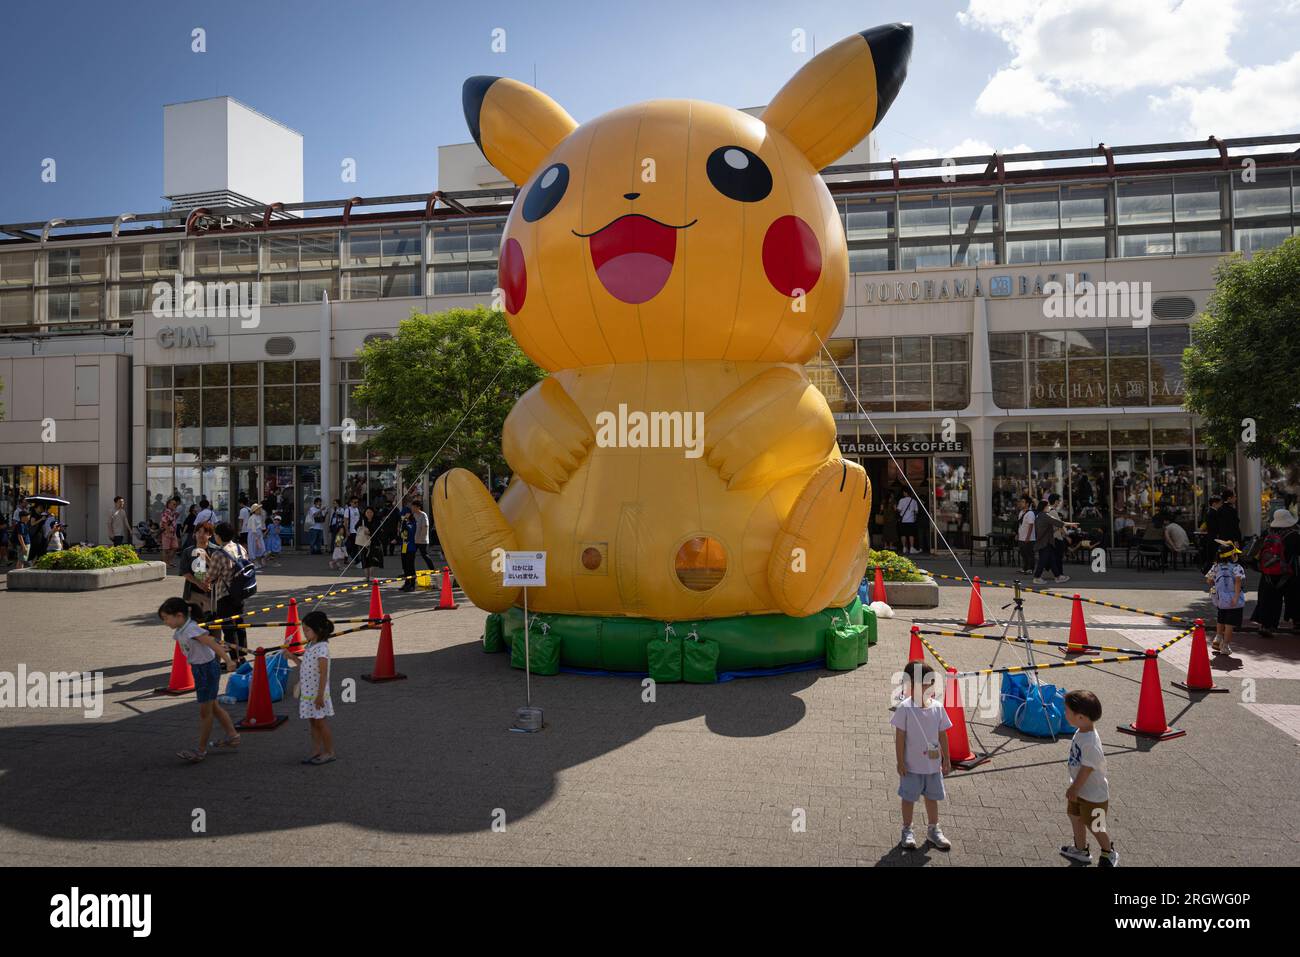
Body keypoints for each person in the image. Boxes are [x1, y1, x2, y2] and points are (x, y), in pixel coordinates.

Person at [158, 596, 239, 764]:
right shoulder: (183, 629)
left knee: (206, 712)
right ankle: (233, 735)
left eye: (166, 618)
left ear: (179, 615)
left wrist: (228, 660)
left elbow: (211, 643)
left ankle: (201, 750)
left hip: (206, 670)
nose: (165, 622)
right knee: (213, 706)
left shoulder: (191, 630)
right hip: (201, 668)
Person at [890, 662, 952, 851]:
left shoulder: (938, 707)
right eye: (922, 683)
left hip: (932, 766)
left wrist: (947, 758)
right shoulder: (905, 708)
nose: (927, 687)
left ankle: (933, 830)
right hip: (911, 766)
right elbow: (899, 738)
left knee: (932, 798)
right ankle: (907, 830)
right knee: (908, 799)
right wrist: (900, 762)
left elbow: (943, 734)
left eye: (930, 682)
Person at [1059, 690, 1117, 867]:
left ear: (1081, 717)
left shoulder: (1091, 742)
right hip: (1079, 789)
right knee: (1074, 816)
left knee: (1096, 825)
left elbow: (1087, 768)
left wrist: (1074, 788)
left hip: (1094, 795)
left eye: (1068, 711)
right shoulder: (1082, 731)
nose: (1065, 713)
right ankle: (1081, 849)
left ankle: (1109, 853)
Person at [285, 609, 336, 765]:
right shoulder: (311, 645)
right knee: (313, 722)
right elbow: (305, 666)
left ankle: (329, 752)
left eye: (307, 630)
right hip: (309, 692)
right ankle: (316, 751)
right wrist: (292, 657)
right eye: (304, 629)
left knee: (320, 722)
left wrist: (320, 695)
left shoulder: (322, 649)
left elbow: (323, 674)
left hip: (317, 694)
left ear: (319, 630)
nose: (304, 633)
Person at [207, 523, 253, 665]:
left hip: (224, 594)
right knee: (239, 624)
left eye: (215, 534)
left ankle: (234, 659)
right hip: (240, 593)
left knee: (228, 627)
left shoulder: (218, 554)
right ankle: (242, 656)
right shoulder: (241, 549)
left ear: (219, 536)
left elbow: (210, 577)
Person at [1250, 509, 1299, 637]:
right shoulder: (1294, 535)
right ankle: (1296, 623)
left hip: (1268, 573)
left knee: (1268, 599)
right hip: (1288, 573)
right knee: (1294, 598)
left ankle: (1266, 625)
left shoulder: (1267, 533)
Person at [1206, 540, 1247, 656]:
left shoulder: (1216, 566)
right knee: (1230, 624)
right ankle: (1225, 646)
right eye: (1236, 554)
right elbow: (1238, 582)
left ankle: (1218, 638)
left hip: (1220, 599)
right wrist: (1236, 597)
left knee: (1221, 619)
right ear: (1232, 555)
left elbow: (1209, 580)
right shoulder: (1237, 567)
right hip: (1233, 599)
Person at [1032, 494, 1075, 584]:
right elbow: (1058, 522)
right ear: (1044, 507)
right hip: (1045, 542)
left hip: (1045, 541)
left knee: (1051, 559)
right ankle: (1037, 577)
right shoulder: (1044, 516)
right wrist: (1072, 524)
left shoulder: (1039, 515)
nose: (1049, 507)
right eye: (1047, 506)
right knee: (1043, 560)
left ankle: (1058, 576)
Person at [358, 506, 384, 580]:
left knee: (374, 559)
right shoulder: (362, 520)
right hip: (364, 542)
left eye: (371, 512)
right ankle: (366, 576)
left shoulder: (377, 520)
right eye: (367, 512)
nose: (369, 514)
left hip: (374, 542)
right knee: (365, 559)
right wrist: (363, 530)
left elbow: (379, 531)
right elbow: (356, 527)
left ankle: (371, 575)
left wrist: (370, 532)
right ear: (365, 513)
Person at [410, 498, 435, 569]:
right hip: (414, 539)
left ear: (418, 507)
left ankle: (432, 569)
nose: (413, 508)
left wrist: (421, 537)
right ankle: (410, 570)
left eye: (414, 507)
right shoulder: (413, 515)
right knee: (411, 555)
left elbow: (425, 526)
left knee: (424, 555)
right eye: (412, 507)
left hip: (422, 540)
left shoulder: (423, 515)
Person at [1015, 494, 1036, 574]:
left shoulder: (1030, 513)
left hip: (1029, 538)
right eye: (1021, 502)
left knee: (1029, 554)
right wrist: (1018, 534)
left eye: (1023, 502)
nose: (1021, 503)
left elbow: (1031, 526)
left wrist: (1028, 537)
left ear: (1027, 504)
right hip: (1021, 537)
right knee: (1023, 554)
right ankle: (1025, 568)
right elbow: (1020, 525)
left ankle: (1030, 569)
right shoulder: (1021, 512)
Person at [398, 505, 417, 591]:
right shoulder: (403, 522)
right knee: (405, 566)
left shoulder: (412, 522)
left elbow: (410, 533)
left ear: (409, 514)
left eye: (404, 514)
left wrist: (405, 524)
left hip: (411, 547)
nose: (403, 516)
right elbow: (401, 534)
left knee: (410, 566)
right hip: (404, 546)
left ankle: (412, 584)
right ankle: (406, 582)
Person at [896, 491, 920, 555]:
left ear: (906, 493)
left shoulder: (901, 500)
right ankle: (911, 548)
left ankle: (904, 548)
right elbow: (916, 511)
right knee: (911, 534)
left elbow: (898, 510)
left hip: (903, 520)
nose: (903, 493)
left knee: (903, 534)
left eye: (904, 492)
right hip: (911, 520)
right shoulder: (914, 501)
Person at [159, 496, 180, 566]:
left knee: (175, 547)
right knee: (166, 549)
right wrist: (167, 531)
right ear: (168, 505)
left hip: (173, 533)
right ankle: (166, 563)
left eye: (175, 504)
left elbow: (172, 522)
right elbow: (164, 522)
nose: (175, 505)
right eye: (173, 504)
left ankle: (168, 561)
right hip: (167, 533)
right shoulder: (166, 512)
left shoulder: (173, 512)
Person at [245, 503, 267, 568]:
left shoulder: (259, 517)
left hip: (258, 534)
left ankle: (257, 561)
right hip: (253, 535)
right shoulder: (252, 518)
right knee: (253, 548)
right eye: (258, 509)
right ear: (255, 510)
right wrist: (256, 538)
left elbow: (262, 526)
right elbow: (253, 528)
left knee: (261, 548)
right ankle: (254, 562)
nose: (260, 510)